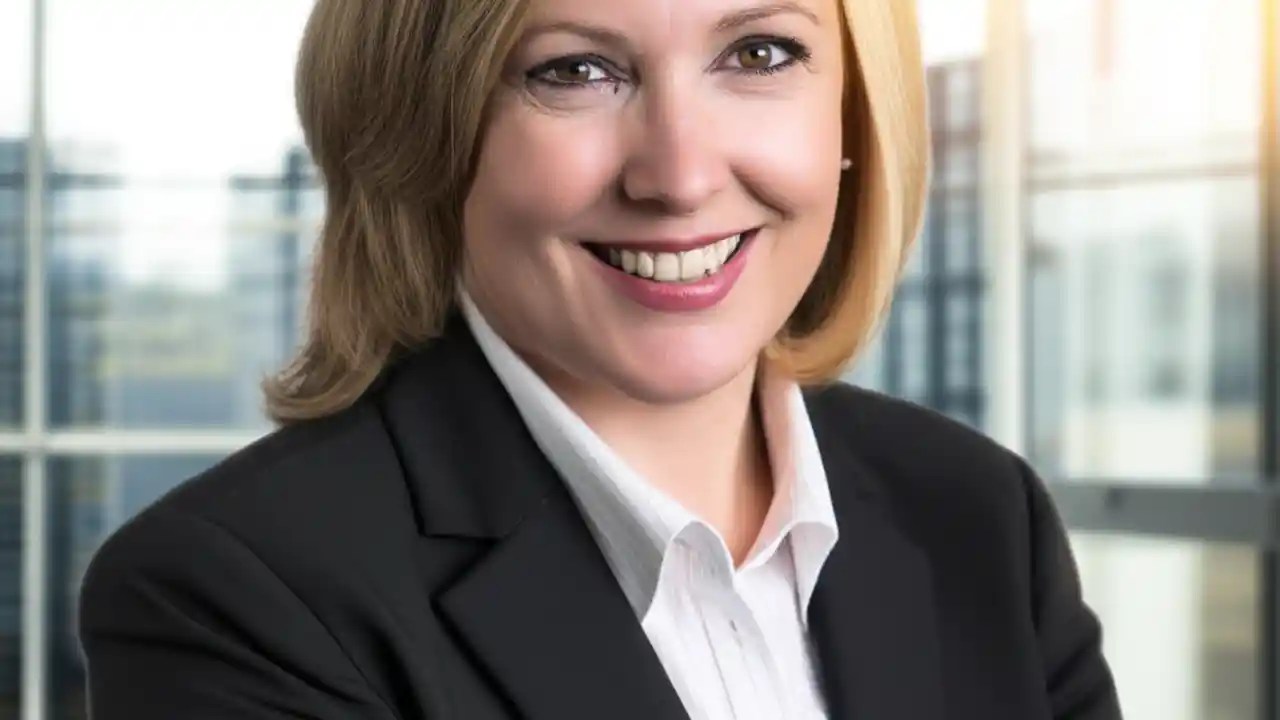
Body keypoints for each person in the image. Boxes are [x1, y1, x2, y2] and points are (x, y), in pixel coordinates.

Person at [76, 0, 1123, 717]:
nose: (678, 175)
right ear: (425, 133)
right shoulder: (236, 596)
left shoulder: (976, 512)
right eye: (572, 71)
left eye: (758, 53)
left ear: (850, 110)